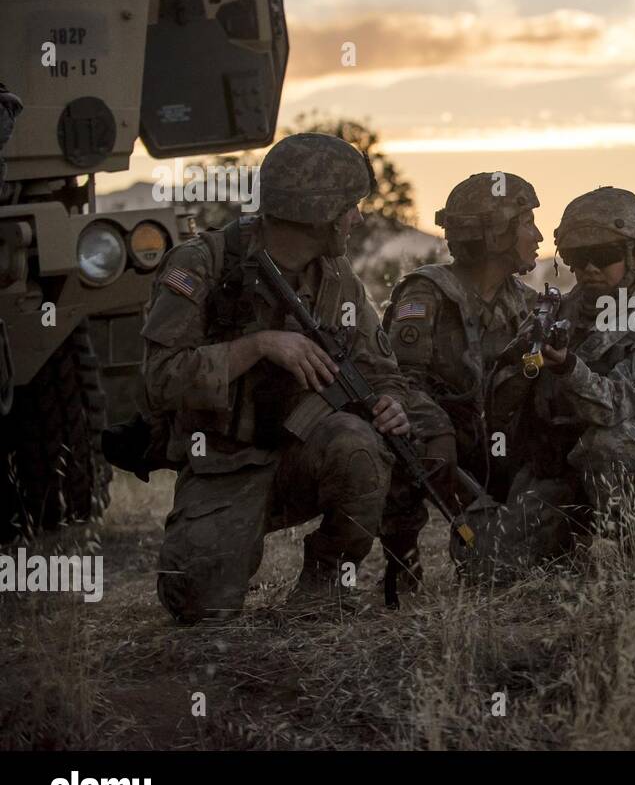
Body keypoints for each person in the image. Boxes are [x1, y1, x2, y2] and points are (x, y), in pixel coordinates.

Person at [143, 133, 453, 622]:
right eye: (351, 207)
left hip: (303, 456)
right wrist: (259, 346)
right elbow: (161, 380)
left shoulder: (337, 278)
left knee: (359, 445)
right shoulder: (202, 264)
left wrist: (390, 399)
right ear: (322, 214)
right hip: (225, 462)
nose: (357, 218)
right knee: (197, 605)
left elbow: (377, 366)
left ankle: (324, 581)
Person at [453, 187, 635, 582]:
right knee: (483, 560)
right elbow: (505, 400)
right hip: (564, 470)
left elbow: (613, 407)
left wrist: (568, 368)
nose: (589, 269)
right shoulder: (557, 313)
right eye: (577, 258)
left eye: (604, 256)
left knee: (609, 443)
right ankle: (573, 542)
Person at [380, 172, 542, 590]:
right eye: (526, 223)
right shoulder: (427, 293)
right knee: (418, 441)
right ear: (495, 235)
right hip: (439, 437)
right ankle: (403, 560)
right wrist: (436, 428)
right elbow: (399, 380)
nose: (538, 235)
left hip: (497, 441)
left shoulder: (526, 303)